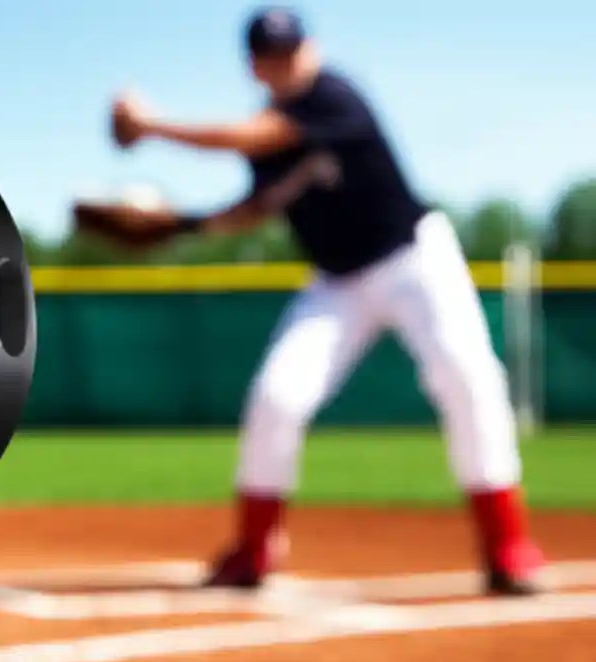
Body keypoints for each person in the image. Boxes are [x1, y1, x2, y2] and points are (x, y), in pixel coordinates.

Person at [73, 6, 546, 595]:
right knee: (278, 395)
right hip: (336, 283)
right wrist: (179, 226)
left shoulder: (334, 95)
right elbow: (250, 211)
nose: (287, 62)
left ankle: (509, 547)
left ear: (311, 50)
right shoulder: (267, 142)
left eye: (293, 50)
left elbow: (249, 136)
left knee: (467, 377)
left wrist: (152, 126)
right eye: (273, 55)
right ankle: (254, 550)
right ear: (255, 67)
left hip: (413, 260)